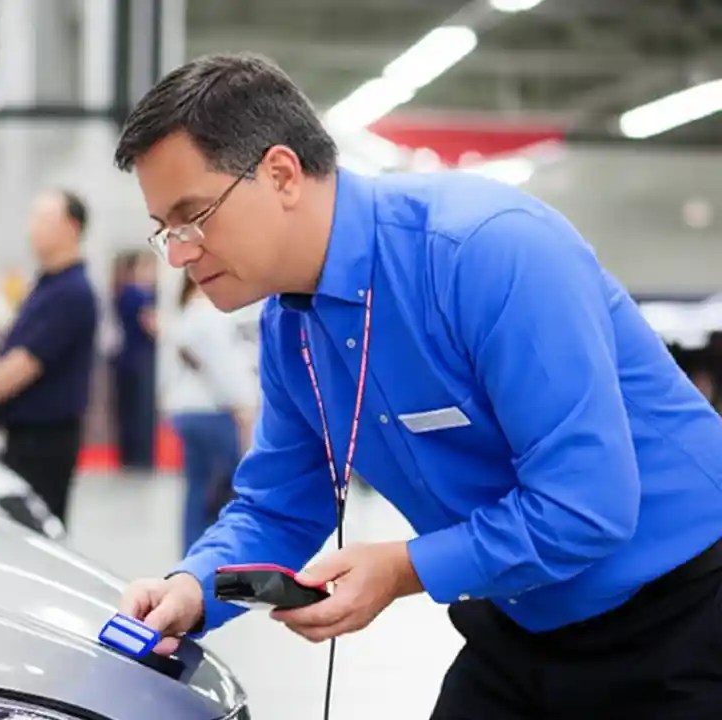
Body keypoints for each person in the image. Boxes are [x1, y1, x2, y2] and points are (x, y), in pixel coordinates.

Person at [112, 53, 722, 719]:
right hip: (523, 620)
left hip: (684, 620)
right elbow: (279, 506)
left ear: (281, 173)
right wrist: (194, 589)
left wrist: (404, 568)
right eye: (164, 229)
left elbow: (588, 504)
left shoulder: (484, 251)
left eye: (193, 215)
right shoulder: (294, 332)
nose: (178, 252)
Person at [0, 190, 98, 525]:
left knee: (33, 529)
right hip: (24, 436)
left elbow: (22, 365)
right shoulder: (47, 286)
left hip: (44, 442)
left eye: (42, 219)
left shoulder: (71, 293)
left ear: (71, 227)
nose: (31, 228)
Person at [163, 273, 257, 555]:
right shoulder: (207, 314)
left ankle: (194, 558)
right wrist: (243, 404)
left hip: (192, 412)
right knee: (216, 497)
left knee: (199, 491)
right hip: (212, 413)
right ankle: (206, 559)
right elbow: (223, 366)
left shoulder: (188, 314)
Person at [112, 250, 159, 470]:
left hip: (125, 359)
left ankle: (128, 457)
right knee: (141, 412)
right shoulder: (139, 295)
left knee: (127, 412)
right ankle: (141, 459)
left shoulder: (122, 293)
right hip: (140, 359)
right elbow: (152, 326)